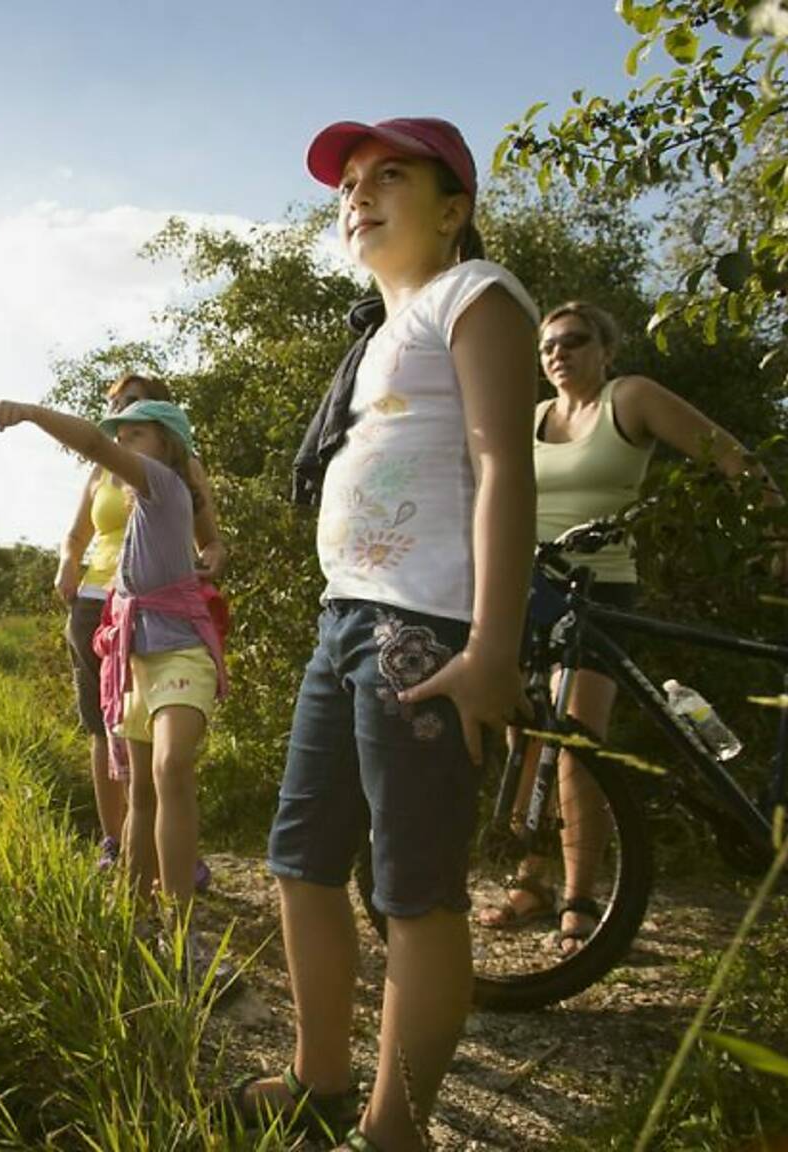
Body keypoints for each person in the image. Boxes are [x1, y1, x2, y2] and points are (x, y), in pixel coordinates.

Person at [232, 118, 538, 1152]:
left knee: (414, 896)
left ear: (453, 210)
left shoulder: (476, 295)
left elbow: (505, 467)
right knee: (299, 864)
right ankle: (320, 1082)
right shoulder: (372, 341)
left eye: (388, 177)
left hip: (426, 629)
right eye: (348, 183)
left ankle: (391, 1132)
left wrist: (495, 645)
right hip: (342, 619)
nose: (357, 195)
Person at [479, 299, 783, 953]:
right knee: (525, 736)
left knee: (577, 744)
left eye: (574, 340)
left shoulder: (630, 398)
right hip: (526, 589)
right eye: (547, 347)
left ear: (605, 348)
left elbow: (728, 455)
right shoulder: (530, 419)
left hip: (599, 589)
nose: (559, 353)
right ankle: (530, 880)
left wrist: (776, 524)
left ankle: (580, 897)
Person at [0, 396, 226, 921]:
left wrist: (30, 413)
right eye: (120, 434)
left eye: (136, 433)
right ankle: (134, 920)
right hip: (136, 659)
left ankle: (180, 930)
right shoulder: (138, 506)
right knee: (140, 793)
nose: (121, 442)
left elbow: (90, 442)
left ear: (167, 444)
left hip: (180, 653)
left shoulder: (164, 484)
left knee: (170, 766)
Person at [55, 373, 225, 880]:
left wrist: (211, 556)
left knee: (163, 756)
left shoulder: (175, 469)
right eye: (114, 408)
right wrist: (68, 562)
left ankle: (168, 855)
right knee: (106, 732)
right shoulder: (100, 474)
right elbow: (76, 533)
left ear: (159, 418)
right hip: (99, 606)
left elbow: (209, 537)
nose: (120, 418)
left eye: (132, 407)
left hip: (163, 612)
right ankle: (120, 844)